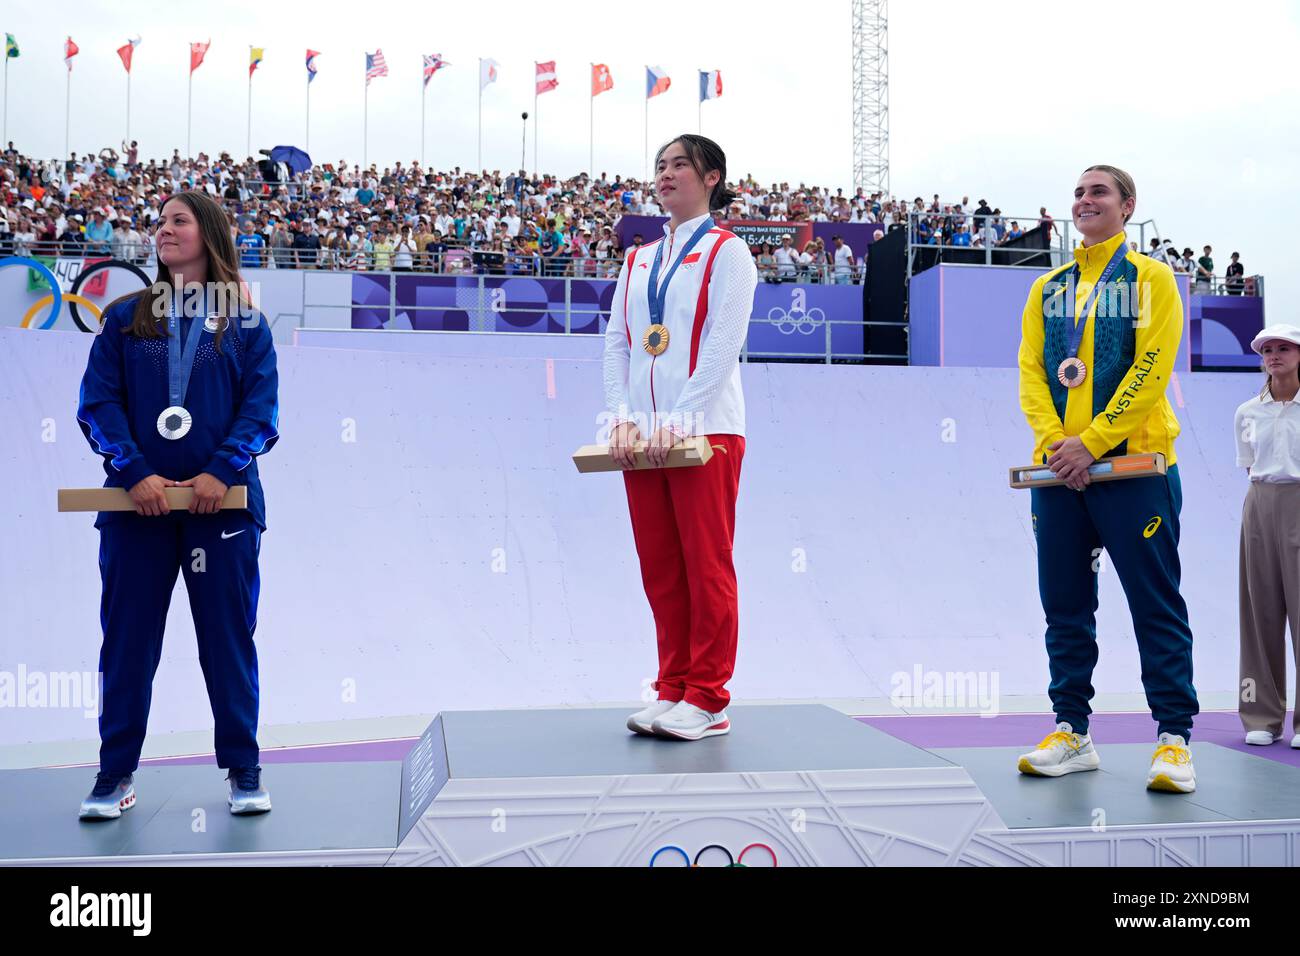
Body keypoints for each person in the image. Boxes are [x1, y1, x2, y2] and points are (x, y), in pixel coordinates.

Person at [75, 189, 280, 819]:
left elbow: (261, 408)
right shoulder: (127, 316)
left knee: (227, 640)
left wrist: (223, 470)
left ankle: (243, 769)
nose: (163, 230)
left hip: (223, 510)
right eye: (160, 222)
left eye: (178, 220)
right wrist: (133, 472)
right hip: (137, 510)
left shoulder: (243, 322)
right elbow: (97, 403)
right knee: (128, 642)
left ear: (208, 233)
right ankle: (115, 774)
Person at [1015, 164, 1198, 793]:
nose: (1085, 200)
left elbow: (1152, 367)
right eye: (1078, 192)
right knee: (1065, 606)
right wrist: (1055, 447)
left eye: (1099, 191)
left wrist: (1089, 443)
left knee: (1155, 604)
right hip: (1062, 475)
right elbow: (1033, 375)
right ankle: (1072, 730)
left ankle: (1173, 738)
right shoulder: (1048, 288)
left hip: (1134, 469)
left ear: (1128, 206)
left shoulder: (1151, 278)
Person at [603, 133, 757, 742]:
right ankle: (672, 687)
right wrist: (619, 413)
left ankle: (709, 697)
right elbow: (617, 340)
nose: (665, 175)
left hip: (707, 431)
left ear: (711, 176)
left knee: (706, 563)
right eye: (660, 166)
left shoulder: (729, 253)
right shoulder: (638, 258)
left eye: (679, 165)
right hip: (642, 435)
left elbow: (724, 341)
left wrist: (683, 416)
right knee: (661, 566)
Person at [1234, 324, 1300, 749]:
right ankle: (1262, 715)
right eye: (1268, 350)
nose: (1274, 355)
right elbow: (1248, 464)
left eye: (1284, 348)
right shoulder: (1247, 411)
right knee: (1260, 612)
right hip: (1259, 503)